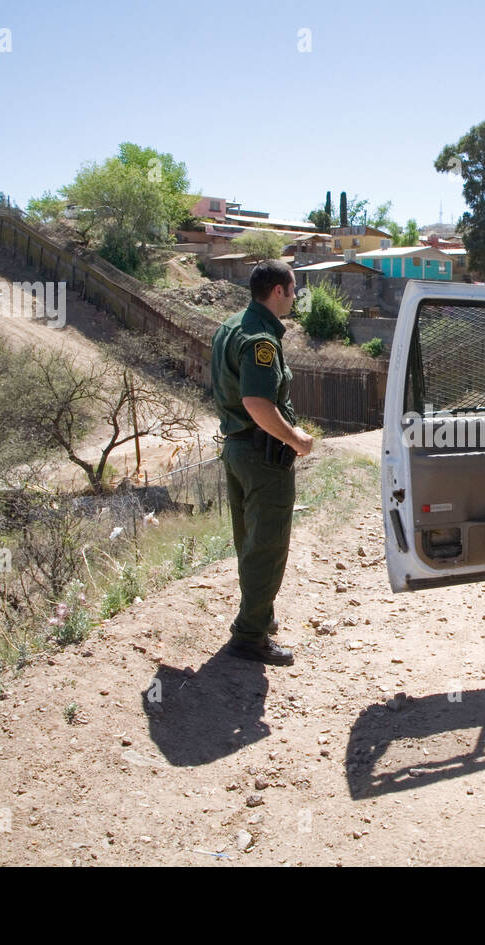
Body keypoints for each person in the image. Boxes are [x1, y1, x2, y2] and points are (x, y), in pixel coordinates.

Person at [210, 259, 315, 665]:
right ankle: (250, 636)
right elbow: (257, 402)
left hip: (237, 449)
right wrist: (297, 438)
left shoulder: (231, 325)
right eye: (293, 288)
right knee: (268, 546)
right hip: (262, 454)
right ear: (279, 291)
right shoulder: (261, 339)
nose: (295, 295)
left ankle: (260, 615)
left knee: (249, 542)